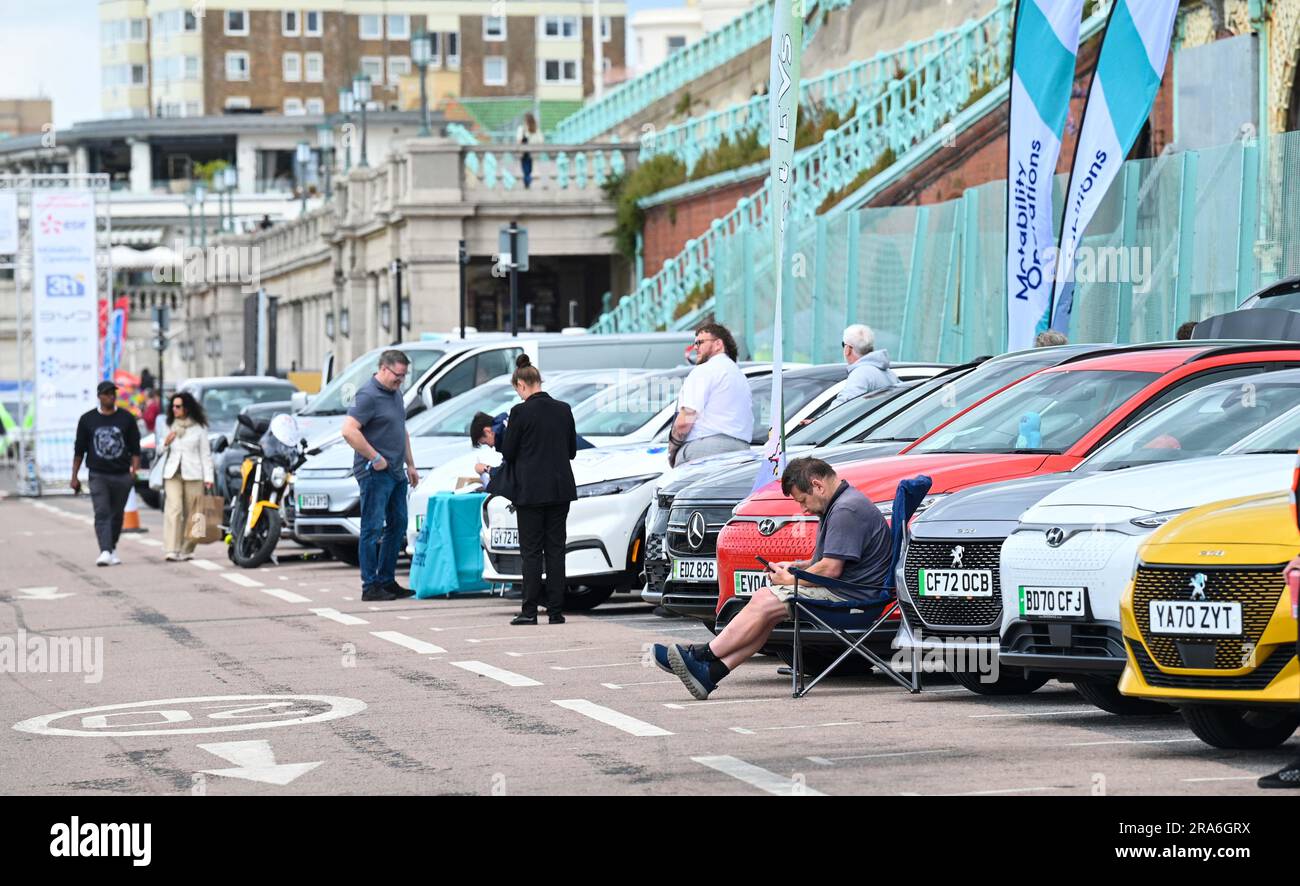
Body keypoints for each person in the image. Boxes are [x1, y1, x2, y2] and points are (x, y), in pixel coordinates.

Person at [653, 457, 891, 700]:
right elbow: (827, 560)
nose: (804, 509)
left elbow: (830, 570)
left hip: (851, 599)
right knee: (765, 611)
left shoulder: (845, 510)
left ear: (818, 485)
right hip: (847, 590)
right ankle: (709, 673)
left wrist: (790, 580)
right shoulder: (838, 504)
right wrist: (796, 566)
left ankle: (702, 656)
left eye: (803, 500)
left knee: (766, 599)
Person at [497, 355, 577, 625]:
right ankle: (556, 611)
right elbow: (572, 451)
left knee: (531, 552)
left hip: (530, 491)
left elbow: (508, 452)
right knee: (556, 549)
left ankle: (529, 611)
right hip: (560, 489)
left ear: (521, 385)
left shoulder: (520, 412)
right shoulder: (564, 409)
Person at [340, 350, 420, 602]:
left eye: (404, 376)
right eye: (398, 375)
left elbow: (401, 429)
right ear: (383, 369)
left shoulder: (395, 394)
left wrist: (411, 464)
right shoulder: (367, 395)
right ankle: (370, 585)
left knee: (397, 526)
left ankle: (387, 580)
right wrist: (374, 457)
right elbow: (349, 431)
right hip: (375, 473)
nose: (401, 381)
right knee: (372, 528)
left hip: (396, 472)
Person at [71, 381, 142, 566]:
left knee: (117, 515)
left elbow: (135, 448)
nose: (111, 396)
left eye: (113, 393)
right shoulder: (87, 420)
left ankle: (112, 547)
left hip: (121, 475)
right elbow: (79, 450)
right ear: (99, 396)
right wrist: (74, 477)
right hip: (98, 474)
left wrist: (133, 472)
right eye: (107, 393)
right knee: (102, 512)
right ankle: (104, 551)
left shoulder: (126, 418)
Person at [668, 323, 753, 467]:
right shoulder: (740, 376)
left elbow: (686, 419)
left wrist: (672, 449)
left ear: (718, 344)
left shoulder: (705, 370)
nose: (695, 347)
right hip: (742, 451)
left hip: (705, 451)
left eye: (700, 342)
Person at [160, 391, 215, 562]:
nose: (175, 409)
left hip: (194, 474)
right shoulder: (168, 426)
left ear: (187, 408)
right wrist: (165, 443)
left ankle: (188, 548)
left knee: (194, 514)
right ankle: (171, 549)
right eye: (173, 406)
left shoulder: (199, 429)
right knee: (174, 509)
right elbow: (158, 451)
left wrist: (209, 477)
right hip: (172, 473)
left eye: (178, 406)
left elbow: (205, 454)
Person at [832, 324, 901, 405]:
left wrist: (821, 417)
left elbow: (843, 406)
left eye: (843, 344)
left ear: (847, 349)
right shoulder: (889, 374)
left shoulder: (860, 374)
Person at [516, 112, 544, 189]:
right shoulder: (521, 129)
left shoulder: (535, 129)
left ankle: (527, 182)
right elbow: (518, 141)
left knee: (529, 169)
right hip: (523, 153)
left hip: (532, 153)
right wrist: (524, 132)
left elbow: (541, 140)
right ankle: (527, 182)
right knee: (525, 169)